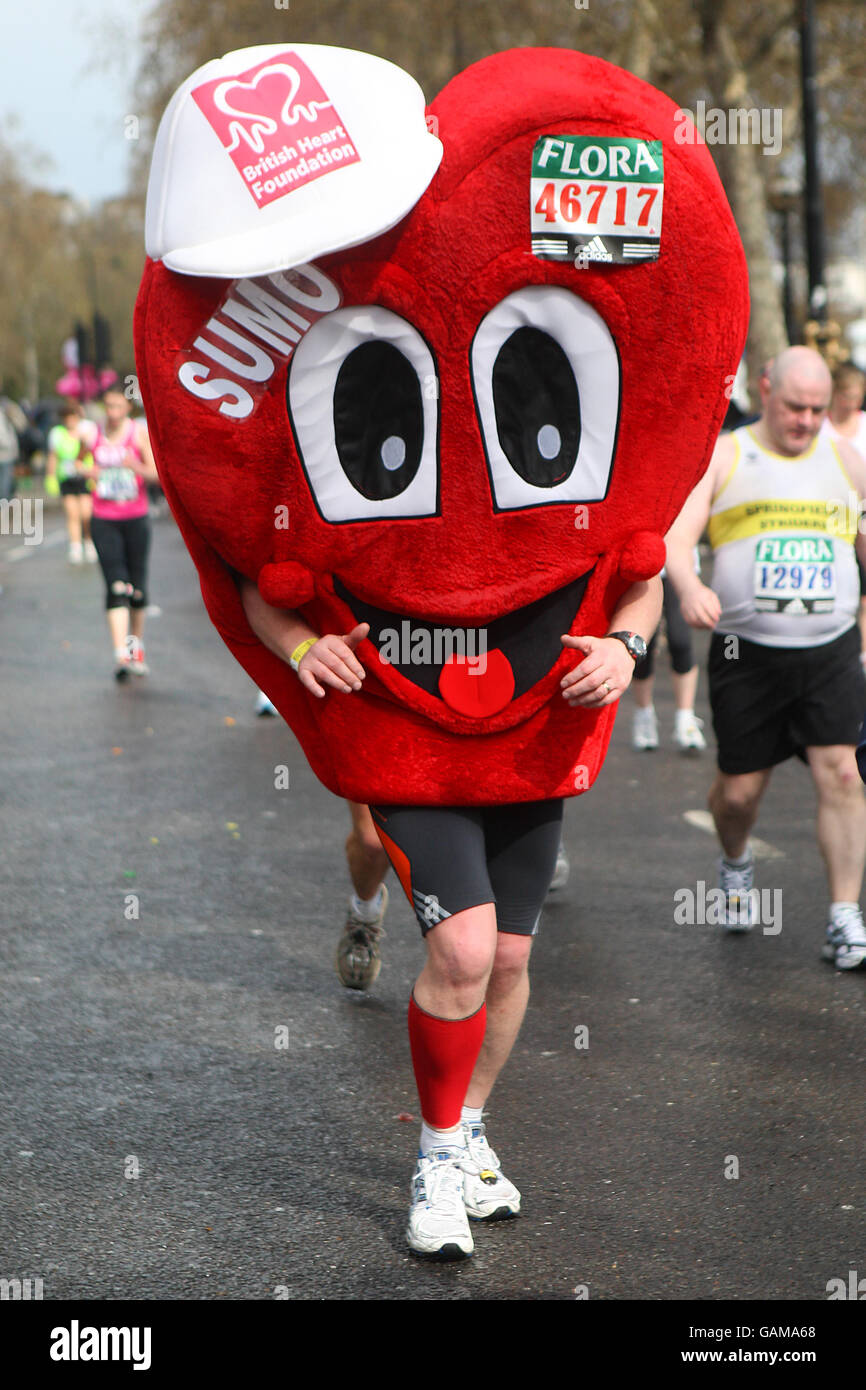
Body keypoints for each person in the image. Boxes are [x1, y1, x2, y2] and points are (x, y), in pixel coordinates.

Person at [240, 573, 661, 1256]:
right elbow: (255, 566)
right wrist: (299, 647)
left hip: (526, 747)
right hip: (406, 746)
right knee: (464, 949)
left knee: (509, 955)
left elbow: (642, 571)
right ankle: (434, 1159)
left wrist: (626, 644)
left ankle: (467, 1126)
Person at [666, 346, 866, 968]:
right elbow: (677, 534)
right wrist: (691, 585)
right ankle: (735, 863)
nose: (806, 421)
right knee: (738, 795)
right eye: (794, 407)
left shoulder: (846, 461)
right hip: (744, 653)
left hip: (831, 651)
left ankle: (843, 915)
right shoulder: (728, 453)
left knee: (844, 774)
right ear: (764, 390)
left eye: (816, 408)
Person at [83, 389, 160, 680]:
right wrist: (89, 471)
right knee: (116, 586)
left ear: (126, 407)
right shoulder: (92, 435)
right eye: (108, 406)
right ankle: (121, 657)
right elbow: (78, 464)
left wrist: (134, 467)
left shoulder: (137, 434)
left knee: (137, 589)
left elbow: (155, 474)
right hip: (104, 518)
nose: (112, 411)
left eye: (117, 405)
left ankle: (135, 647)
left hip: (135, 518)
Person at [631, 560, 706, 752]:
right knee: (644, 645)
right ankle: (644, 715)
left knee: (680, 640)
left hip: (679, 566)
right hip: (645, 565)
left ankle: (686, 719)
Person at [822, 362, 866, 663]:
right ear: (834, 394)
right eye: (847, 395)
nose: (852, 402)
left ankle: (860, 655)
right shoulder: (819, 425)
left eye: (857, 395)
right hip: (829, 512)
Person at [45, 399, 97, 563]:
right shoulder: (57, 433)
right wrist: (50, 477)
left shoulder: (87, 431)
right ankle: (75, 546)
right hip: (66, 479)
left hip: (84, 478)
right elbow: (53, 457)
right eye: (66, 416)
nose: (69, 420)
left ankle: (88, 541)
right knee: (72, 514)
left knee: (86, 514)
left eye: (72, 416)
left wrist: (95, 475)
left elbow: (93, 453)